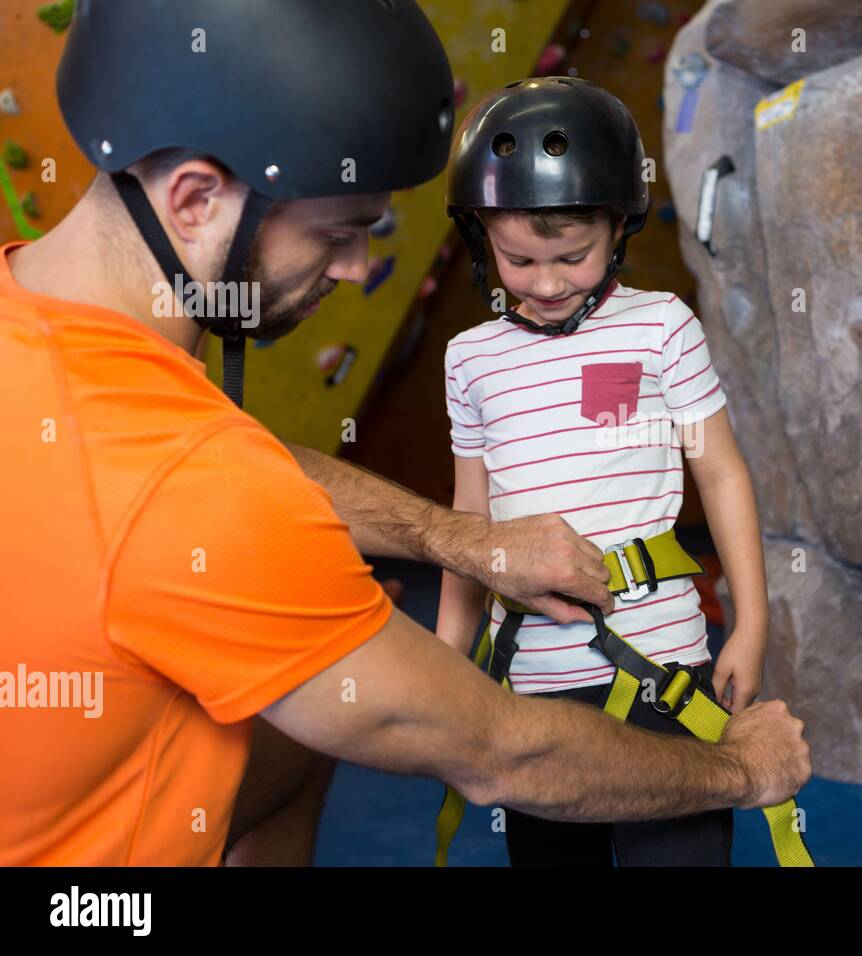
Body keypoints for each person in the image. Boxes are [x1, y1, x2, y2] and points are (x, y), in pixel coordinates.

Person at [0, 1, 810, 866]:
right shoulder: (201, 490)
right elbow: (506, 751)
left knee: (287, 731)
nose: (352, 270)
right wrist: (742, 770)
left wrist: (460, 542)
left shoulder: (59, 342)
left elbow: (237, 463)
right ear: (196, 199)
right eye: (338, 233)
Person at [439, 78, 772, 865]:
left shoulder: (662, 327)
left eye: (573, 256)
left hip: (662, 662)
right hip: (529, 679)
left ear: (619, 227)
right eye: (518, 258)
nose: (548, 283)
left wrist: (750, 622)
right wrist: (447, 657)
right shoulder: (469, 358)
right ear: (479, 232)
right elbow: (466, 516)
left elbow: (721, 473)